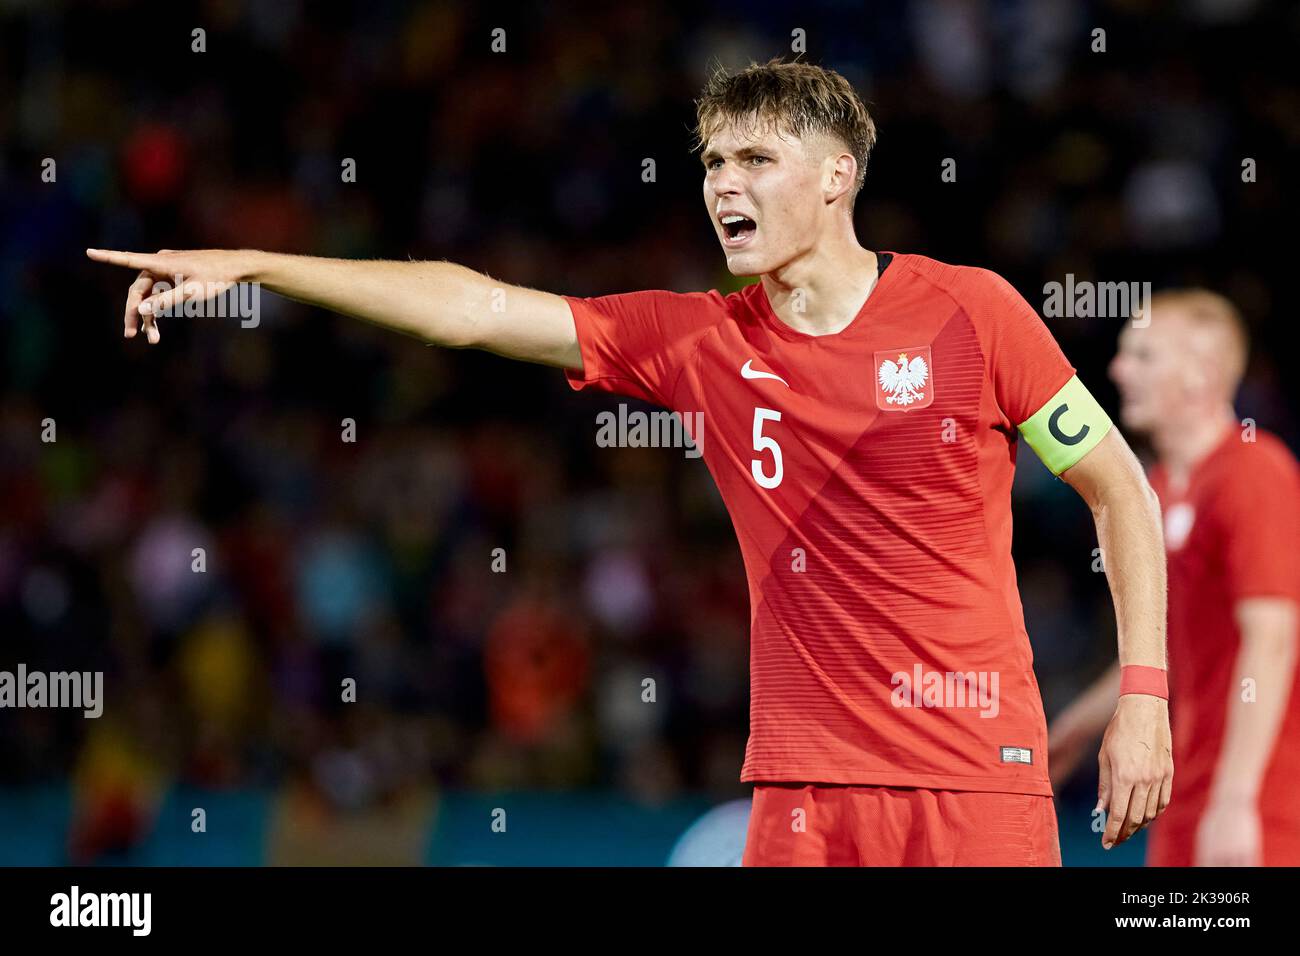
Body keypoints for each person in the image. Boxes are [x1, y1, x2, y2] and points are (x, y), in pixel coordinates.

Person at [86, 57, 1171, 866]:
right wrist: (263, 264)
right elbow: (475, 309)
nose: (721, 184)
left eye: (755, 159)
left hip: (973, 777)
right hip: (801, 789)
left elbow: (1116, 484)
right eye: (711, 162)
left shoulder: (971, 314)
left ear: (838, 174)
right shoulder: (703, 337)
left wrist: (1141, 697)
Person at [1050, 289, 1300, 866]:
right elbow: (1161, 651)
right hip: (1181, 796)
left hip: (1259, 802)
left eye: (1142, 355)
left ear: (1200, 375)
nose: (1117, 369)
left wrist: (1237, 800)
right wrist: (1079, 725)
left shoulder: (1256, 473)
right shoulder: (1155, 491)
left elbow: (1272, 637)